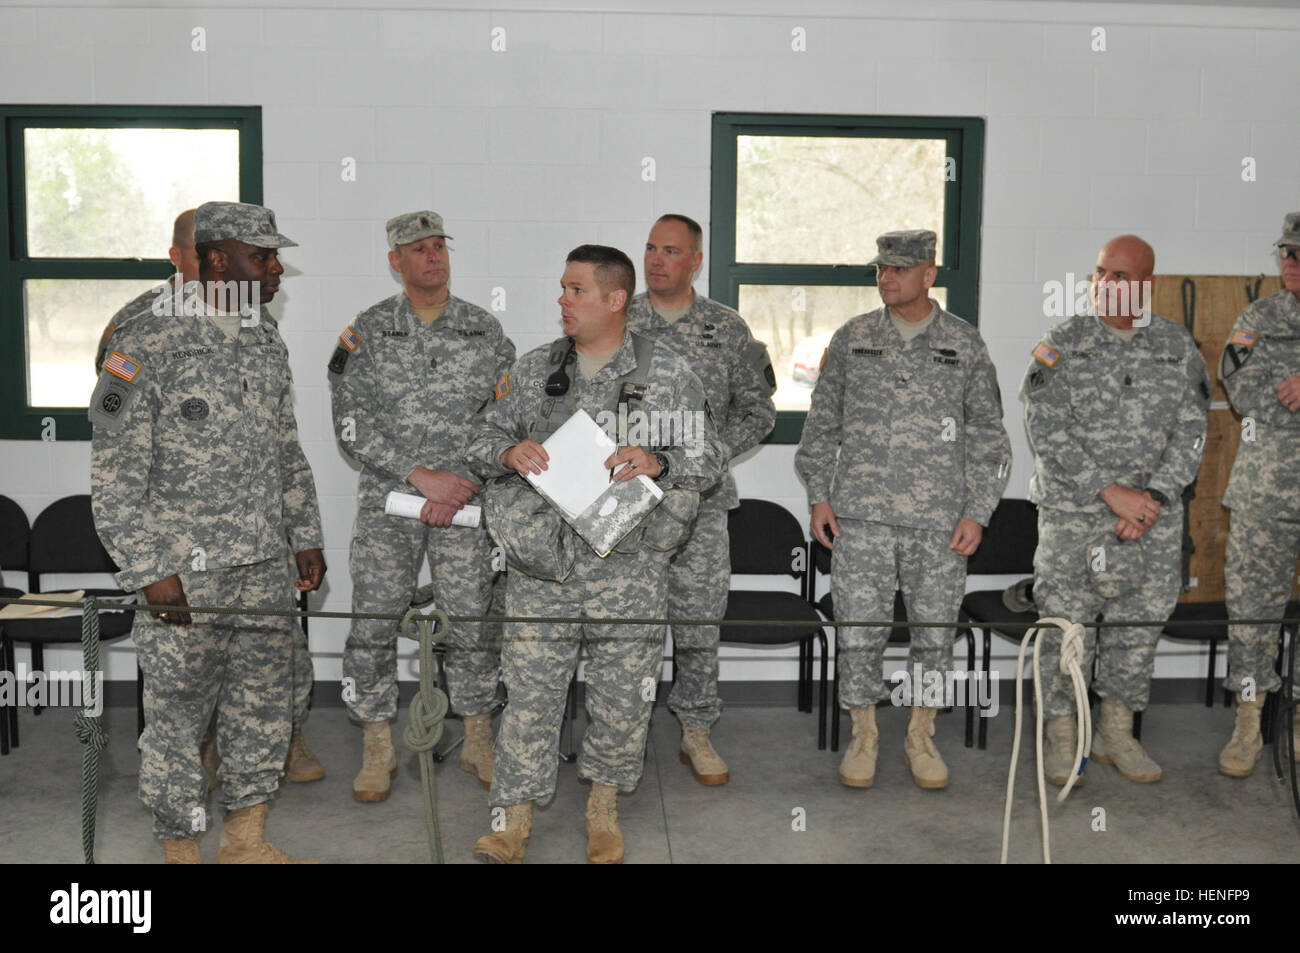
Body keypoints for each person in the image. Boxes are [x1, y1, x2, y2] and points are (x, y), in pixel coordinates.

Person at [466, 244, 722, 863]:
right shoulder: (534, 370)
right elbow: (479, 436)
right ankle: (512, 819)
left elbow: (708, 458)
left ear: (615, 300)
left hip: (628, 568)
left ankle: (603, 808)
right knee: (528, 694)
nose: (563, 299)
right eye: (562, 288)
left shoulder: (668, 375)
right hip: (544, 567)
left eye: (576, 290)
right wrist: (507, 453)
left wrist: (658, 459)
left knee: (622, 696)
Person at [90, 201, 325, 863]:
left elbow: (286, 447)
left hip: (262, 565)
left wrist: (304, 530)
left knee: (261, 707)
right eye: (265, 256)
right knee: (178, 718)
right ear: (219, 259)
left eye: (276, 255)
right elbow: (113, 471)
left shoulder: (262, 340)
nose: (277, 268)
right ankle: (181, 843)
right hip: (182, 573)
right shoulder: (144, 343)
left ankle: (245, 837)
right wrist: (145, 566)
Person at [797, 229, 1011, 791]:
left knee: (934, 636)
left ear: (928, 274)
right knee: (859, 631)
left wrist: (979, 512)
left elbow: (990, 437)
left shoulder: (964, 344)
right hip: (860, 517)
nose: (886, 277)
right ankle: (864, 733)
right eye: (880, 269)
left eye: (899, 268)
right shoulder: (852, 338)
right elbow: (821, 428)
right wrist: (819, 495)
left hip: (939, 523)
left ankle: (921, 733)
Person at [329, 211, 514, 802]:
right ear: (396, 261)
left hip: (464, 502)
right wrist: (420, 477)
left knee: (472, 623)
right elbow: (350, 425)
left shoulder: (485, 332)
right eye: (419, 249)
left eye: (439, 247)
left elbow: (506, 422)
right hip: (390, 502)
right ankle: (377, 742)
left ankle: (479, 735)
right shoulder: (367, 331)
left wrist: (458, 480)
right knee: (373, 623)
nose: (433, 257)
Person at [1021, 234, 1209, 785]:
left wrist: (1151, 501)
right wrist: (1110, 492)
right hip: (1074, 516)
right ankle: (1061, 737)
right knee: (1064, 630)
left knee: (1137, 628)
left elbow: (1193, 431)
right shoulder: (1064, 342)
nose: (1105, 284)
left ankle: (1116, 732)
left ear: (1146, 286)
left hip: (1151, 521)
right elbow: (1046, 429)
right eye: (1100, 272)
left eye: (1120, 276)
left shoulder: (1176, 345)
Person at [625, 213, 776, 785]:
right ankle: (625, 730)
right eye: (650, 248)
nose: (657, 260)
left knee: (698, 622)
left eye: (671, 251)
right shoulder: (617, 316)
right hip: (624, 501)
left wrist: (709, 453)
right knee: (628, 625)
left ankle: (695, 728)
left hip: (700, 502)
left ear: (696, 261)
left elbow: (758, 410)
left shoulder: (726, 329)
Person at [1218, 211, 1300, 776]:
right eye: (1287, 252)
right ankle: (1249, 721)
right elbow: (1244, 390)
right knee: (1251, 614)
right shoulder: (1260, 317)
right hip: (1267, 492)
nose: (1292, 263)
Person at [94, 209, 199, 374]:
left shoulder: (243, 310)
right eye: (202, 258)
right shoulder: (135, 319)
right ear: (176, 256)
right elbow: (117, 382)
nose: (218, 267)